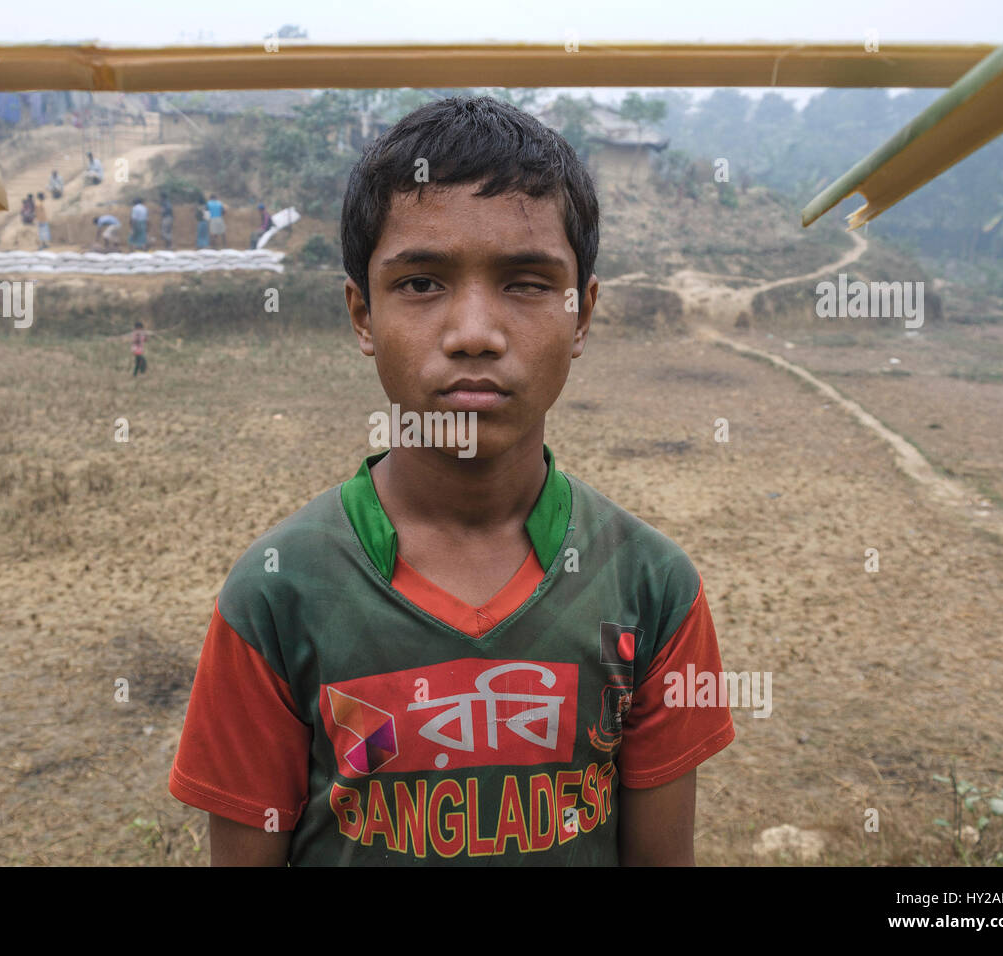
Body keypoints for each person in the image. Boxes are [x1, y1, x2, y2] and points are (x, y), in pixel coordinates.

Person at [168, 96, 734, 867]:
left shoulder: (653, 588)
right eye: (422, 284)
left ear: (583, 313)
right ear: (362, 316)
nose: (474, 332)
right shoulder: (275, 595)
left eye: (528, 283)